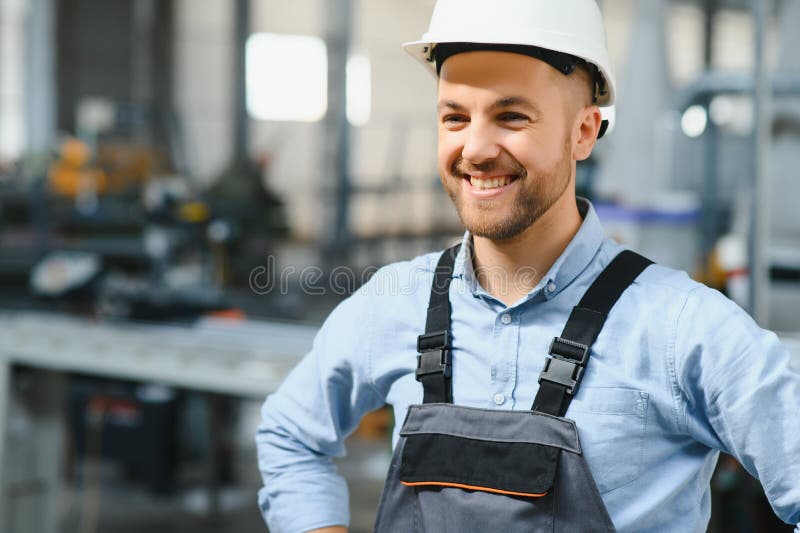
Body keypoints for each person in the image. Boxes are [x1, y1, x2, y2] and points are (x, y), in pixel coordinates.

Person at [256, 1, 800, 531]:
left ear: (583, 132)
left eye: (511, 116)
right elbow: (289, 435)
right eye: (454, 117)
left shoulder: (684, 328)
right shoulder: (395, 301)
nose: (475, 149)